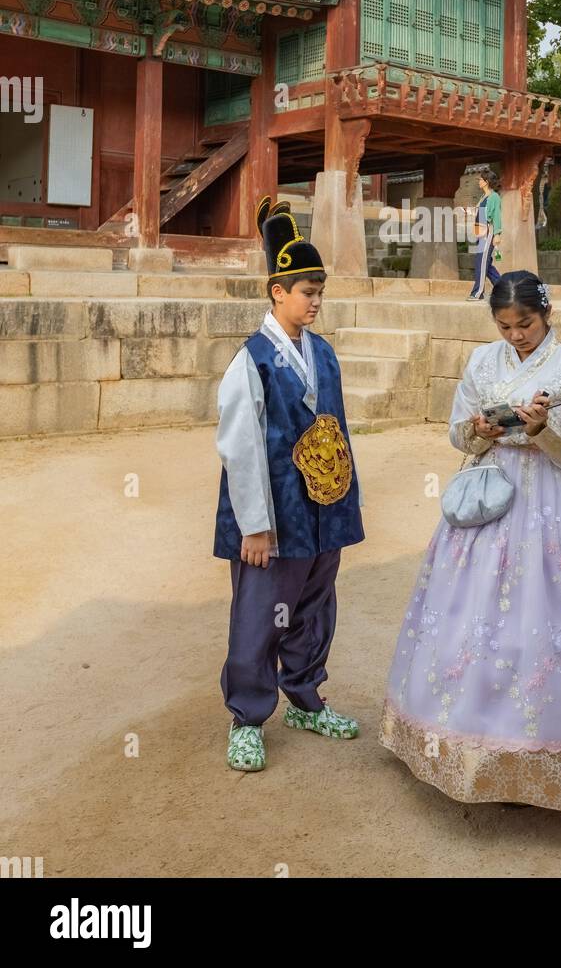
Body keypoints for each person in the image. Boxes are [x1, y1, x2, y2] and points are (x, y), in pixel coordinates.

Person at [379, 270, 561, 811]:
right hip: (489, 497)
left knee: (556, 619)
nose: (516, 336)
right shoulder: (483, 361)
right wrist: (479, 431)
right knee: (475, 620)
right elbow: (457, 428)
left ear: (546, 314)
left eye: (525, 324)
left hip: (555, 503)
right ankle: (472, 744)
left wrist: (542, 431)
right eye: (505, 326)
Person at [214, 197, 364, 772]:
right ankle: (247, 717)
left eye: (320, 292)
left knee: (314, 605)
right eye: (308, 292)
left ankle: (305, 697)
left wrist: (342, 500)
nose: (317, 302)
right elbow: (240, 447)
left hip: (323, 510)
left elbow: (334, 429)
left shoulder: (322, 352)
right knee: (261, 611)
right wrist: (254, 525)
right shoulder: (250, 361)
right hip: (273, 517)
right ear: (277, 292)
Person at [467, 167, 502, 301]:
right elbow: (479, 212)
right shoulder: (483, 197)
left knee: (481, 262)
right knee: (486, 265)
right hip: (480, 232)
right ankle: (504, 288)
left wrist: (498, 234)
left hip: (488, 232)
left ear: (486, 181)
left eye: (481, 179)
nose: (479, 181)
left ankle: (478, 292)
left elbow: (497, 216)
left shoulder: (494, 197)